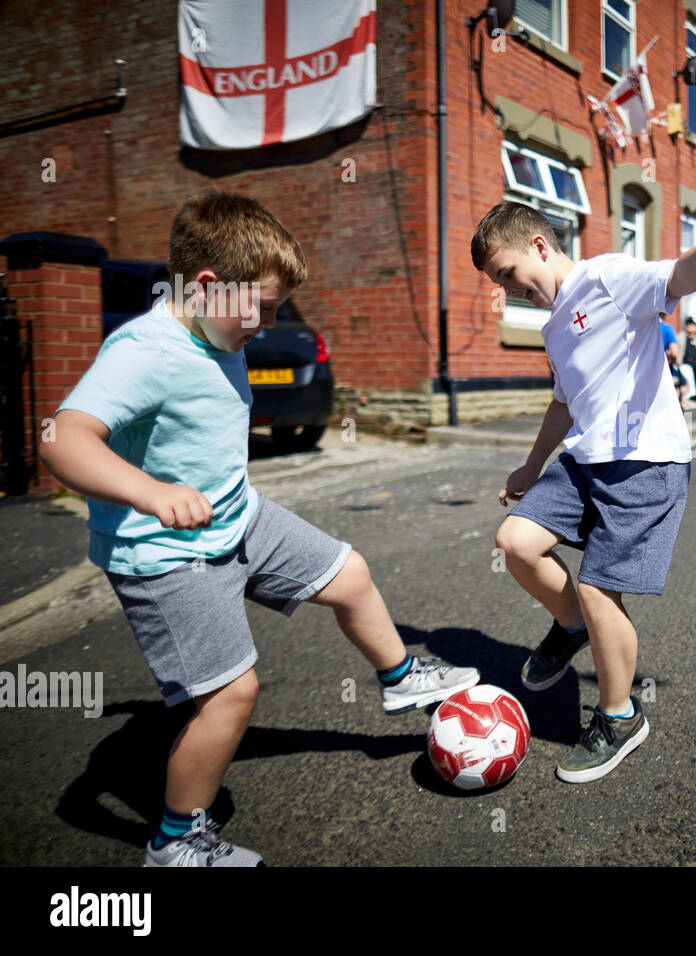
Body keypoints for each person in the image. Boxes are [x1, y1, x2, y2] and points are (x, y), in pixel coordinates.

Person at [38, 191, 480, 867]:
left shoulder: (219, 327)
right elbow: (64, 440)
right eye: (265, 307)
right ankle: (175, 839)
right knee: (230, 696)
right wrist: (150, 491)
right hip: (166, 555)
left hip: (239, 517)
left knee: (349, 573)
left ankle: (399, 677)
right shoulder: (144, 350)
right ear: (209, 287)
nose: (270, 324)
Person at [472, 190, 696, 782]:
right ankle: (572, 625)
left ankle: (619, 717)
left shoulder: (607, 277)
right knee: (516, 543)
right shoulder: (553, 327)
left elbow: (679, 276)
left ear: (539, 245)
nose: (511, 287)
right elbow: (563, 405)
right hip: (584, 460)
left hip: (643, 461)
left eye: (509, 273)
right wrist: (528, 468)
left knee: (604, 591)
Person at [659, 313, 695, 410]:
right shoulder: (666, 329)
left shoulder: (641, 328)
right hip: (663, 367)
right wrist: (673, 360)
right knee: (683, 384)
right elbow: (675, 353)